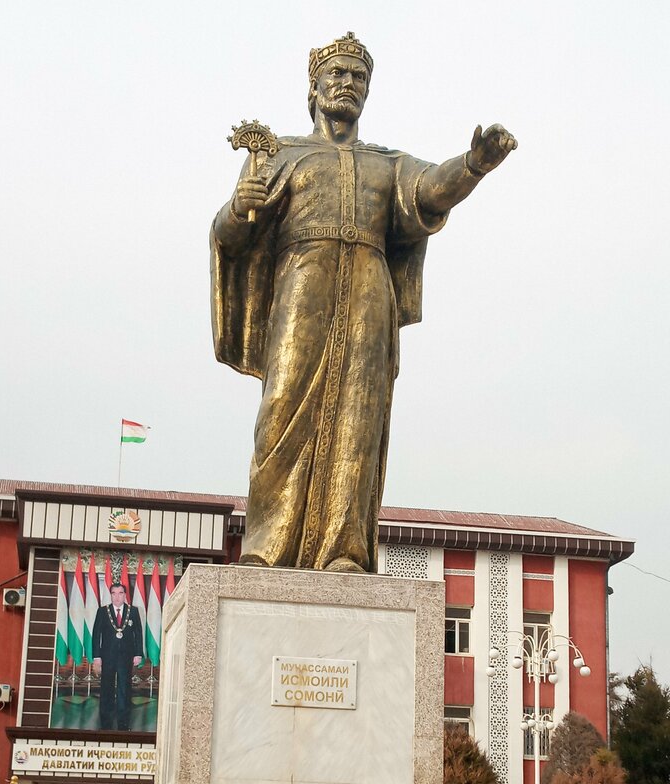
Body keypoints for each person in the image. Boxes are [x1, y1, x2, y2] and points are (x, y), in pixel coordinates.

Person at [212, 32, 517, 573]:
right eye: (338, 74)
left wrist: (473, 165)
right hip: (302, 284)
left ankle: (345, 551)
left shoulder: (387, 163)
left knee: (359, 418)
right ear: (313, 89)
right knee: (282, 411)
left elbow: (428, 191)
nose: (348, 83)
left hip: (369, 293)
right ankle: (265, 546)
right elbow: (232, 237)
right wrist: (237, 209)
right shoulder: (279, 154)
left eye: (359, 77)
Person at [91, 583, 143, 730]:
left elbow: (138, 633)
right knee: (106, 688)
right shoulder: (103, 611)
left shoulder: (133, 611)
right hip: (107, 656)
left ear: (125, 595)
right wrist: (97, 656)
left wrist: (138, 653)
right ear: (111, 595)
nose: (117, 597)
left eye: (120, 593)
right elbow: (96, 635)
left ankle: (123, 723)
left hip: (126, 656)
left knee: (124, 689)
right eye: (114, 593)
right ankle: (105, 722)